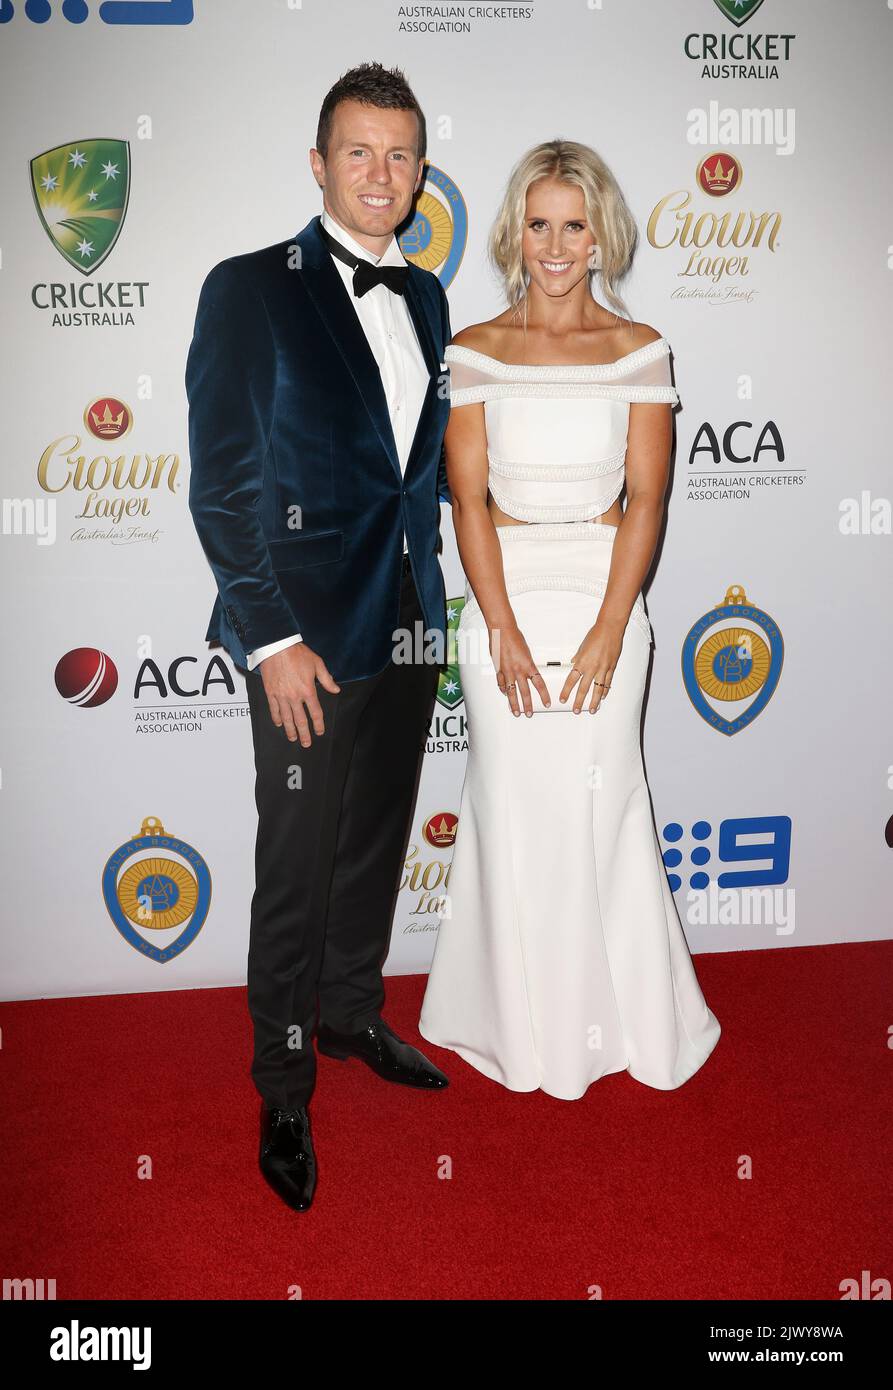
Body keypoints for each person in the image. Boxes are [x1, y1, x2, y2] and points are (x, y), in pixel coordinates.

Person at [186, 63, 452, 1212]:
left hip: (401, 621)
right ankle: (283, 1079)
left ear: (419, 169)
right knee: (292, 866)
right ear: (317, 163)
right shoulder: (251, 288)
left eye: (400, 154)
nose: (380, 174)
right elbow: (223, 485)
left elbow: (417, 481)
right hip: (301, 636)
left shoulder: (430, 296)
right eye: (358, 152)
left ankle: (349, 1014)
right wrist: (269, 637)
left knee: (374, 840)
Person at [419, 140, 721, 1101]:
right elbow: (466, 504)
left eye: (574, 225)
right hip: (503, 596)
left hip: (604, 596)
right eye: (539, 223)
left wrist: (607, 626)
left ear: (601, 237)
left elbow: (645, 505)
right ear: (516, 231)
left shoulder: (639, 350)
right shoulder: (472, 348)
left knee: (603, 803)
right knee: (512, 802)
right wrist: (497, 626)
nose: (554, 245)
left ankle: (627, 1021)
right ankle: (512, 1025)